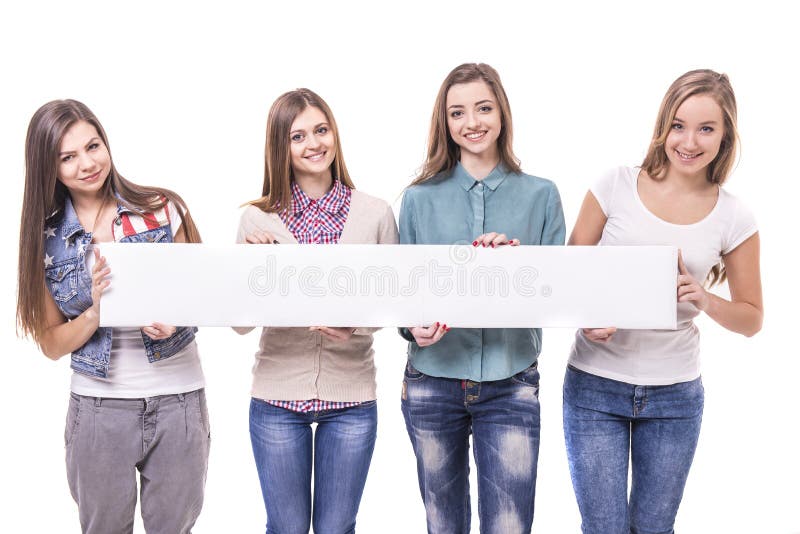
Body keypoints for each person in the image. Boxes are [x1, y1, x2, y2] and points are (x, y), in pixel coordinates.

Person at [563, 69, 763, 534]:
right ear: (663, 127)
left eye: (706, 128)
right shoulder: (614, 185)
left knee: (654, 528)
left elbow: (752, 319)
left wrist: (705, 298)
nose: (689, 141)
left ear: (725, 135)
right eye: (679, 125)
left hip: (674, 394)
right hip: (595, 385)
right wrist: (591, 316)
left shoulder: (735, 216)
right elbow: (567, 276)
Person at [16, 99, 209, 534]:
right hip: (99, 410)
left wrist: (175, 321)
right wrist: (96, 314)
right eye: (67, 157)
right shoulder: (47, 240)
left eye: (93, 146)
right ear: (48, 168)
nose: (87, 163)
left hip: (179, 401)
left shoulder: (164, 208)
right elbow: (49, 342)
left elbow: (206, 292)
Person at [398, 63, 566, 534]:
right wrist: (413, 326)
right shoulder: (417, 200)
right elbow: (402, 292)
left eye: (483, 108)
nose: (472, 122)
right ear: (445, 123)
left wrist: (514, 272)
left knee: (509, 527)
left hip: (510, 382)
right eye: (457, 112)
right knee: (442, 523)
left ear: (502, 114)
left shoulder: (542, 196)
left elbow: (554, 292)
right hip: (433, 382)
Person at [235, 88, 398, 534]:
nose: (314, 144)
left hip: (351, 398)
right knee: (285, 528)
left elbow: (394, 298)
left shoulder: (376, 213)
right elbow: (240, 322)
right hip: (276, 398)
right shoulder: (257, 219)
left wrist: (356, 323)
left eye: (321, 130)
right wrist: (251, 268)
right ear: (280, 148)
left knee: (336, 528)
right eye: (298, 136)